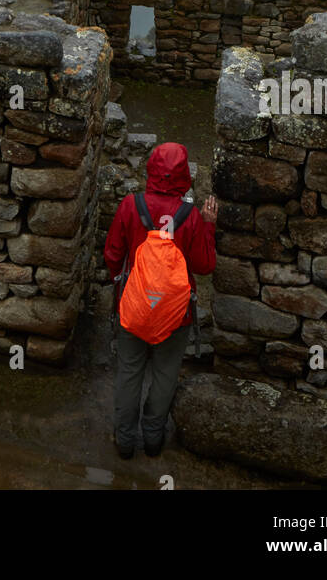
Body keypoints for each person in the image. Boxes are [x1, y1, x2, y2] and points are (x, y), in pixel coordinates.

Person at [104, 141, 217, 459]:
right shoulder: (191, 216)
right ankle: (153, 440)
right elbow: (204, 266)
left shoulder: (131, 206)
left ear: (151, 170)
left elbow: (112, 254)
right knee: (165, 373)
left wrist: (122, 285)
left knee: (129, 371)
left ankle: (125, 441)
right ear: (184, 176)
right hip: (174, 314)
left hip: (135, 307)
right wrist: (208, 226)